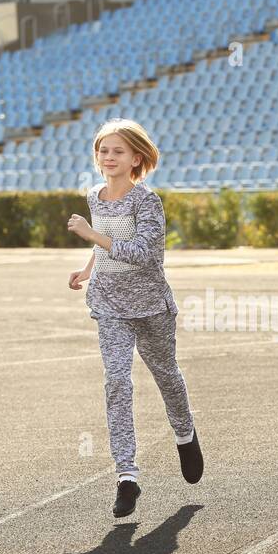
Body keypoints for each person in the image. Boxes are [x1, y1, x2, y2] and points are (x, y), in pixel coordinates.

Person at [67, 119, 203, 519]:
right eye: (103, 151)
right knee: (117, 381)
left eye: (118, 152)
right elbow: (108, 244)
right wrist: (88, 267)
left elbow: (144, 253)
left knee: (166, 375)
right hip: (109, 304)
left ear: (136, 159)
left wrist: (93, 237)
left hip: (149, 305)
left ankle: (184, 433)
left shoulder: (148, 201)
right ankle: (127, 475)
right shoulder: (95, 196)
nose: (108, 158)